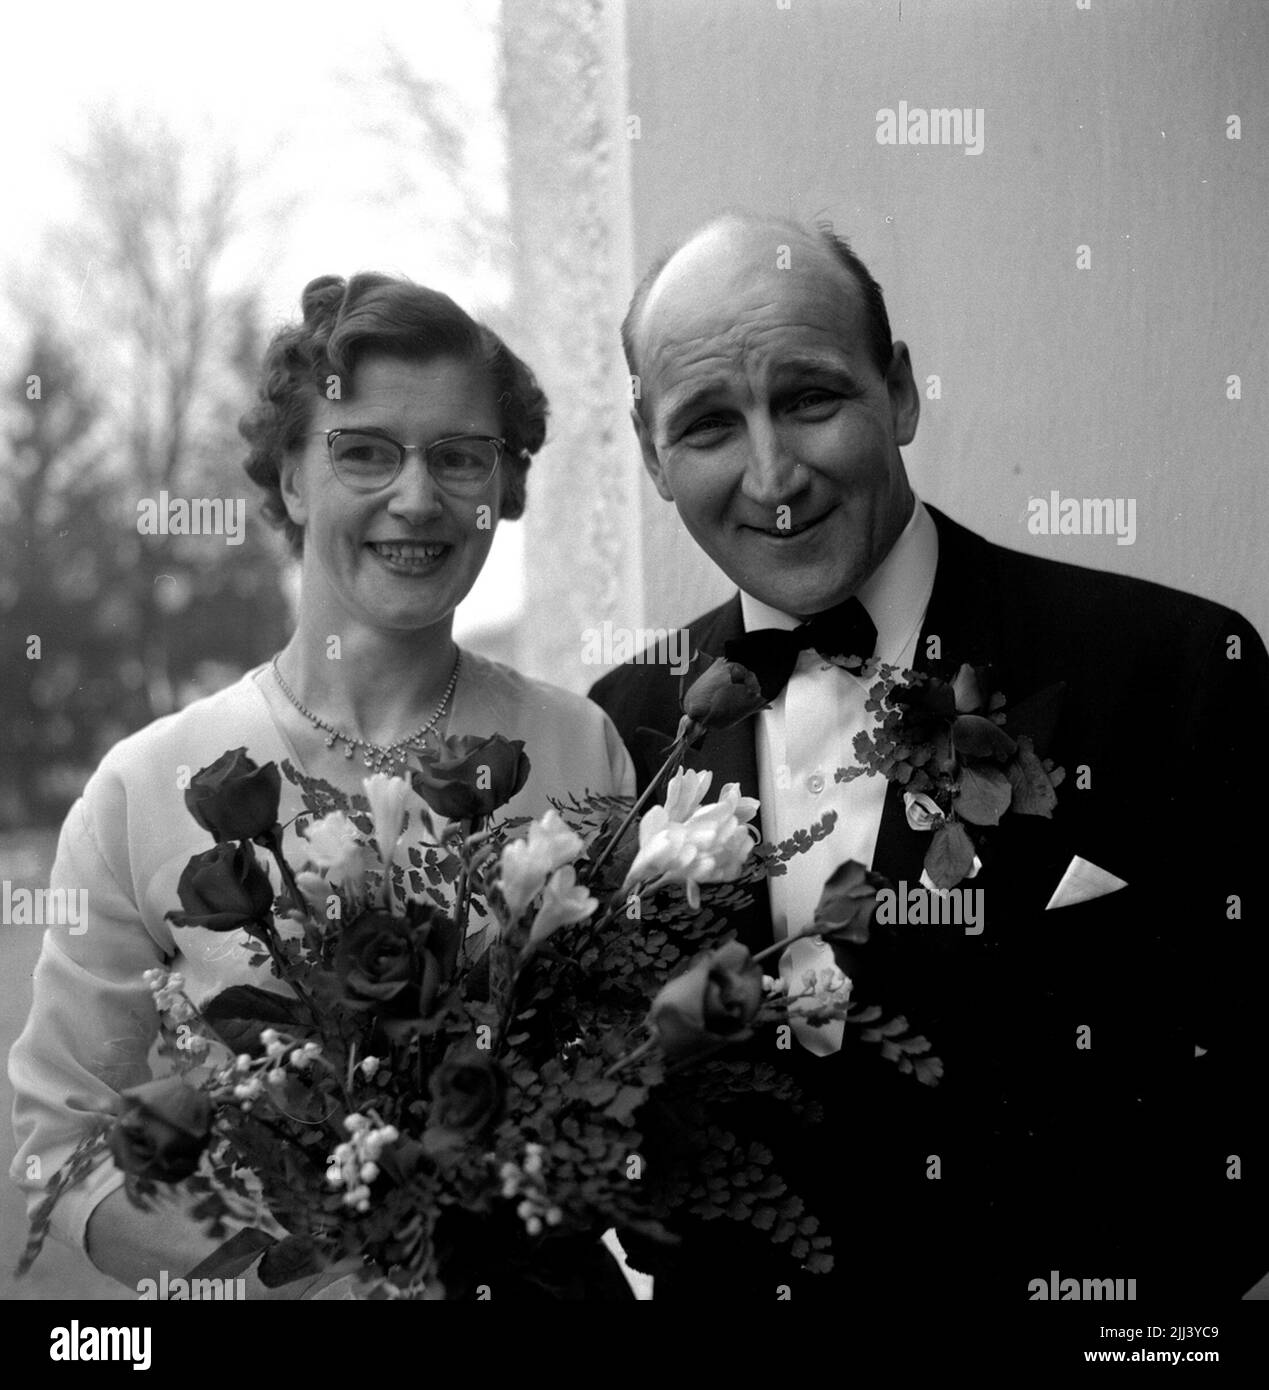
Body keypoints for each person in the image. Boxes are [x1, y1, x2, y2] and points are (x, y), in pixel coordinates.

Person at [590, 213, 1268, 1303]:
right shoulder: (618, 733)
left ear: (898, 390)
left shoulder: (1176, 669)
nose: (773, 475)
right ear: (649, 452)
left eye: (811, 399)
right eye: (710, 424)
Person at [10, 272, 635, 1298]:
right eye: (364, 450)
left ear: (502, 486)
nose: (419, 496)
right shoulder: (147, 786)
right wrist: (279, 1269)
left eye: (462, 457)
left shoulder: (580, 747)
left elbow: (628, 1084)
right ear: (293, 481)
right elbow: (59, 1137)